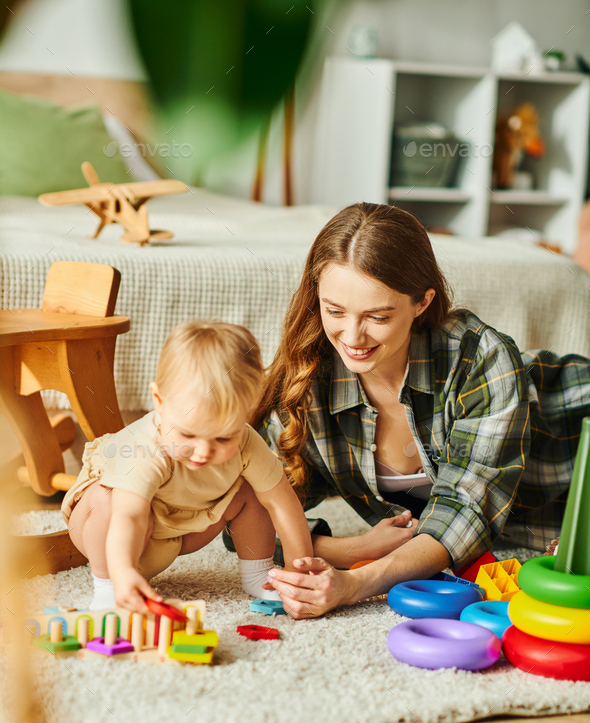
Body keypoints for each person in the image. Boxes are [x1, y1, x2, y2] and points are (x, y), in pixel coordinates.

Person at [250, 202, 590, 619]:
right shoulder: (306, 381)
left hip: (573, 431)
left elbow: (463, 513)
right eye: (334, 311)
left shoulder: (479, 357)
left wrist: (356, 582)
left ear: (422, 301)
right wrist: (352, 549)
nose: (352, 336)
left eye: (378, 316)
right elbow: (249, 513)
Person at [63, 320, 313, 612]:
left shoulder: (246, 441)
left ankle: (258, 573)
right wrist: (121, 573)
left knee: (255, 491)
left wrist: (299, 570)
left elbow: (283, 503)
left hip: (180, 533)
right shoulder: (144, 449)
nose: (204, 451)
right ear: (158, 400)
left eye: (223, 437)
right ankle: (107, 587)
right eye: (188, 434)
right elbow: (128, 517)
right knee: (106, 498)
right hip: (114, 535)